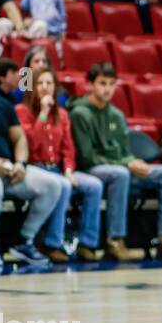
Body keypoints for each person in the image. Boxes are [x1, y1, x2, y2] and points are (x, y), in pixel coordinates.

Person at [69, 62, 162, 261]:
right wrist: (126, 164)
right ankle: (115, 240)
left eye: (111, 84)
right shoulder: (80, 113)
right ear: (89, 85)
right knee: (120, 174)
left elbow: (124, 151)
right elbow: (86, 157)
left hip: (120, 166)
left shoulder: (117, 114)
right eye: (102, 83)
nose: (107, 89)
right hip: (92, 169)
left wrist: (134, 161)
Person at [0, 50, 64, 271]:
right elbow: (26, 95)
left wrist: (21, 163)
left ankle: (25, 241)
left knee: (54, 184)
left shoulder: (4, 105)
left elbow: (20, 139)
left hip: (9, 169)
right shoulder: (22, 92)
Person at [18, 68, 104, 262]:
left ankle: (87, 243)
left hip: (57, 168)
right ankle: (53, 244)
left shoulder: (63, 115)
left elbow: (68, 149)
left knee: (94, 185)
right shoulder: (22, 111)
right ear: (33, 87)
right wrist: (43, 113)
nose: (45, 88)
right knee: (63, 185)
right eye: (40, 83)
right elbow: (31, 144)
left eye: (49, 83)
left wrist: (68, 170)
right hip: (35, 168)